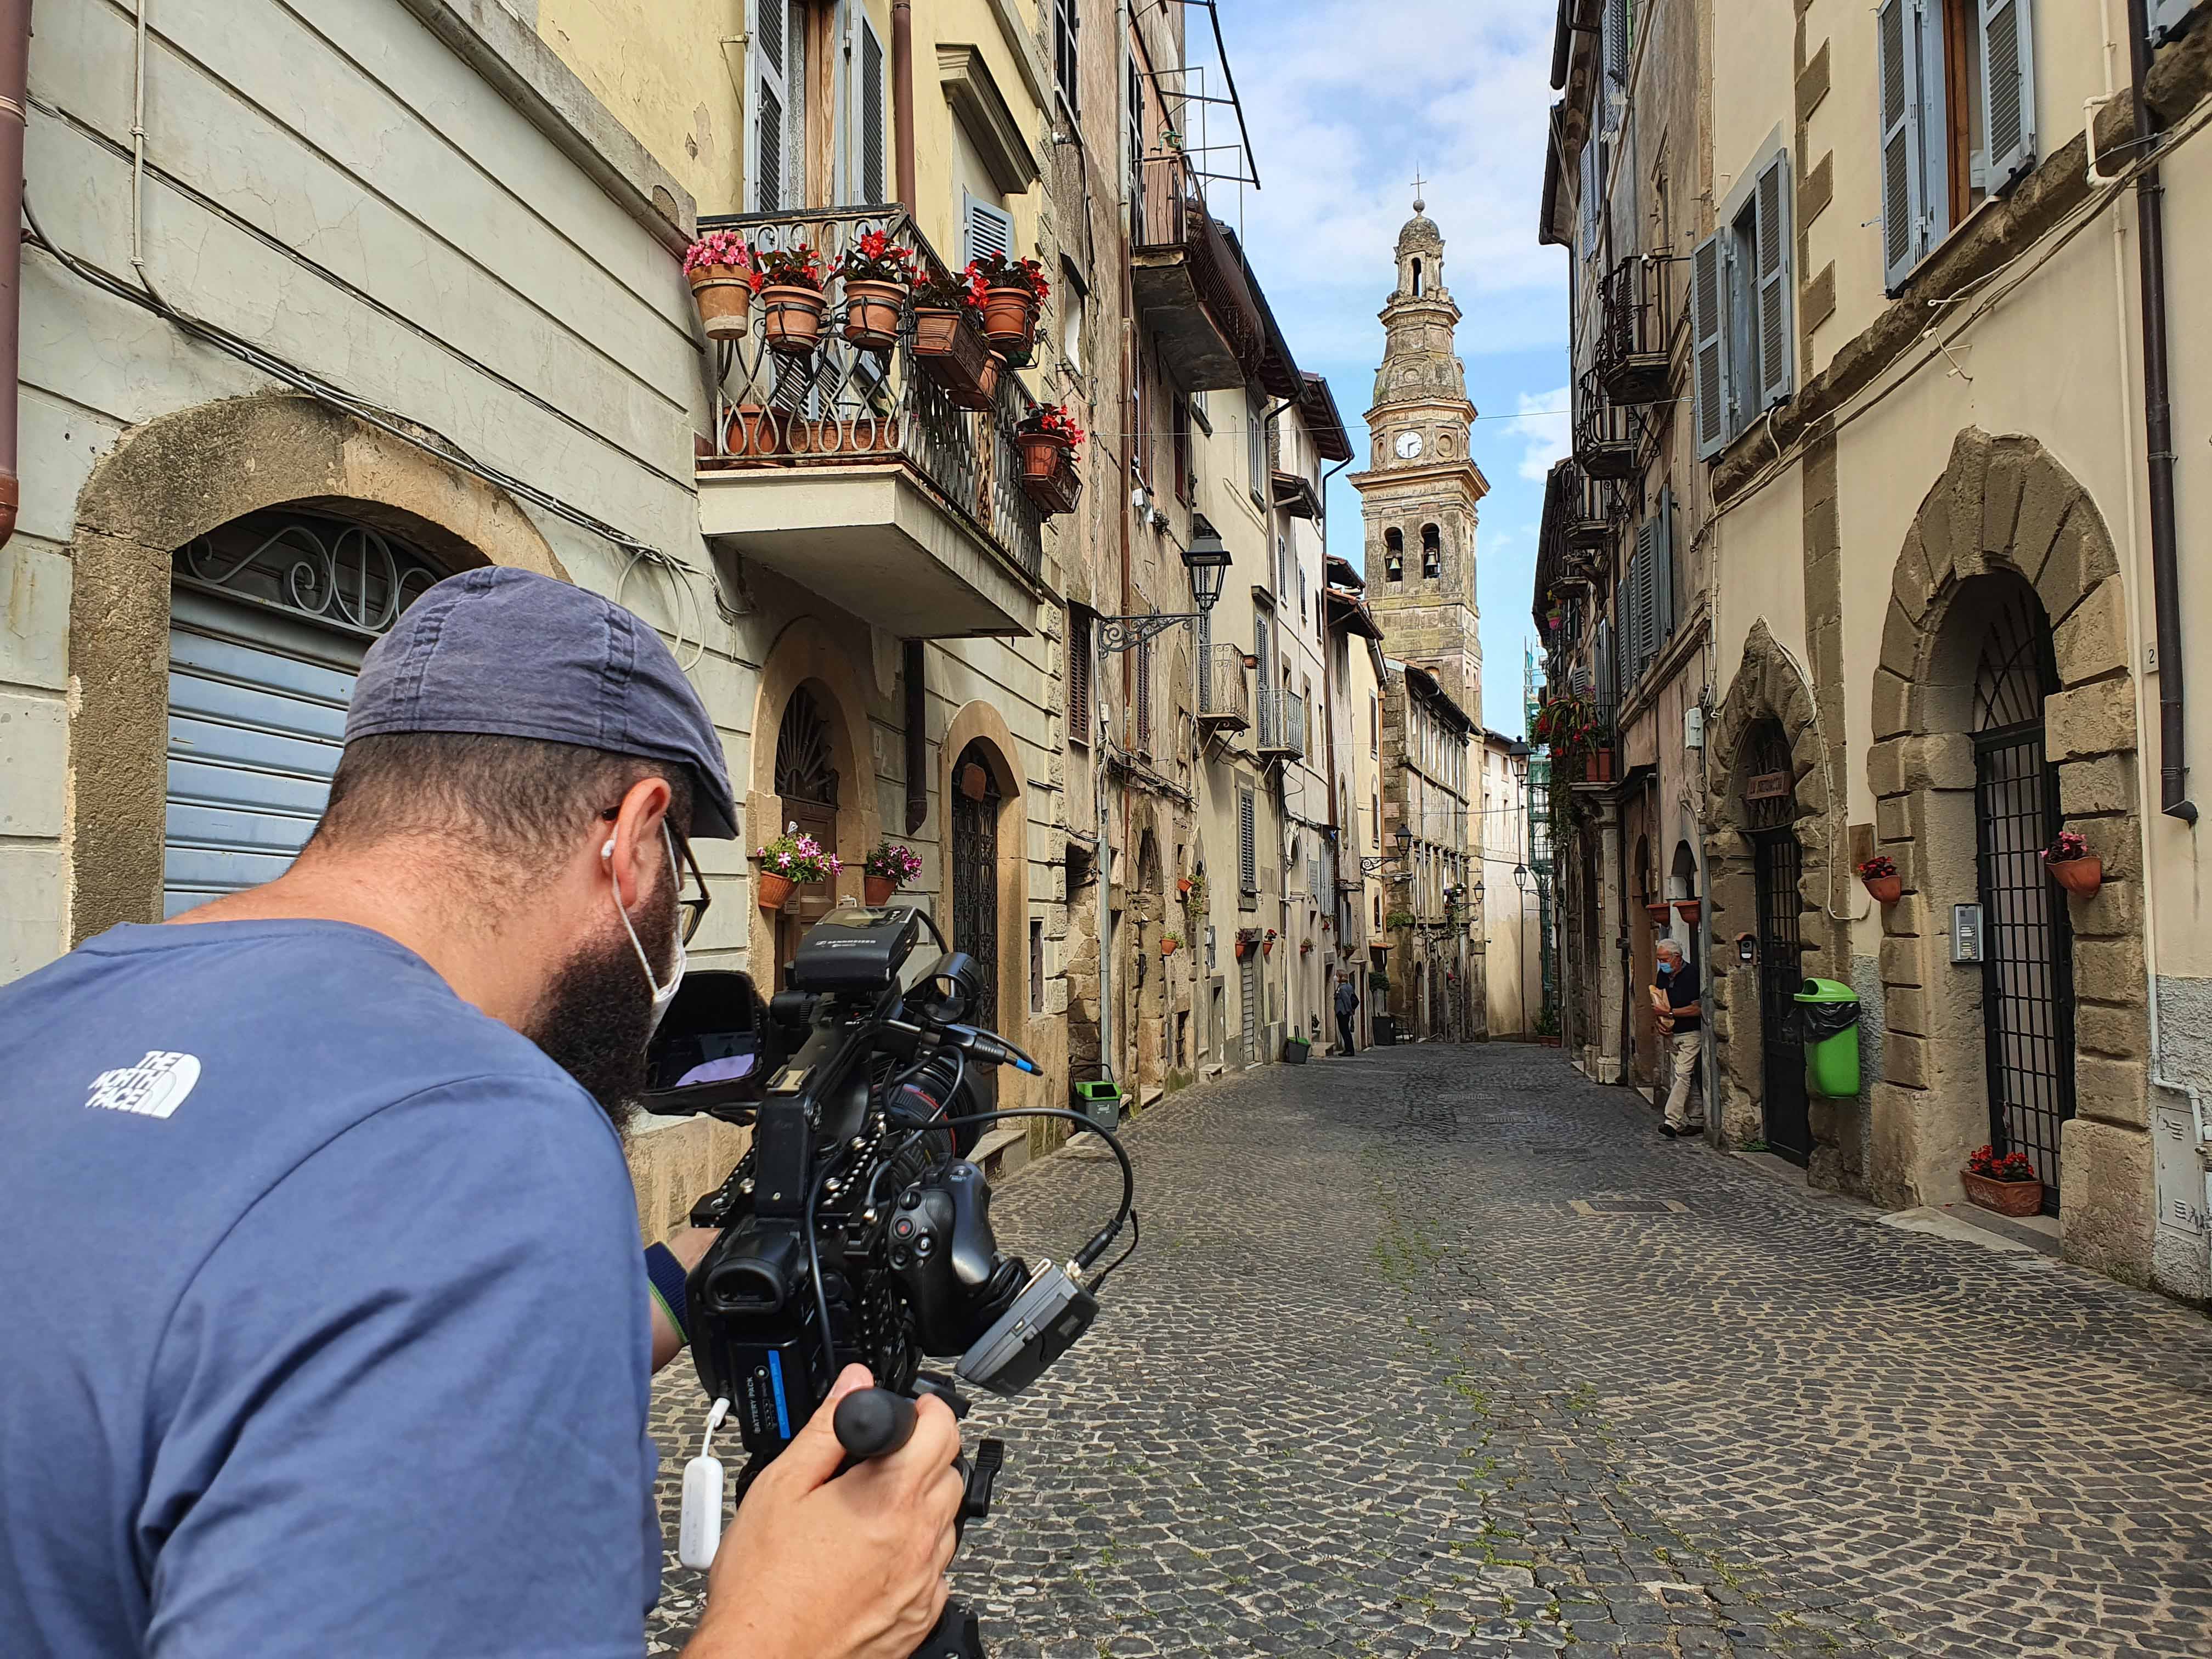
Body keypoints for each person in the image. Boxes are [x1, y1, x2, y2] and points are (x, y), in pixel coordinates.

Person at [0, 568, 962, 1659]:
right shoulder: (491, 1130)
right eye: (676, 883)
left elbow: (300, 1322)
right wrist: (789, 1628)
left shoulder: (39, 1015)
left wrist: (727, 1244)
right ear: (636, 832)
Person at [1653, 939, 1705, 1137]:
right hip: (1673, 1033)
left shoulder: (1693, 975)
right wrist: (1661, 1022)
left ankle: (1671, 1121)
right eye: (1659, 959)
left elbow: (1697, 1008)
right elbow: (1659, 1002)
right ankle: (1697, 1118)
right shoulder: (1663, 976)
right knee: (1685, 1078)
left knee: (1682, 1074)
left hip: (1692, 1033)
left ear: (1677, 958)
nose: (1662, 963)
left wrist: (1671, 1014)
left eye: (1664, 959)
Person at [1334, 972, 1361, 1057]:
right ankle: (1349, 1049)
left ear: (1341, 977)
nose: (1336, 977)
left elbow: (1347, 1001)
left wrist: (1350, 1011)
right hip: (1345, 1012)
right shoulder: (1349, 986)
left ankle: (1349, 1050)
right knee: (1346, 1031)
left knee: (1345, 1031)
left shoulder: (1342, 988)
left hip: (1343, 1012)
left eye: (1337, 976)